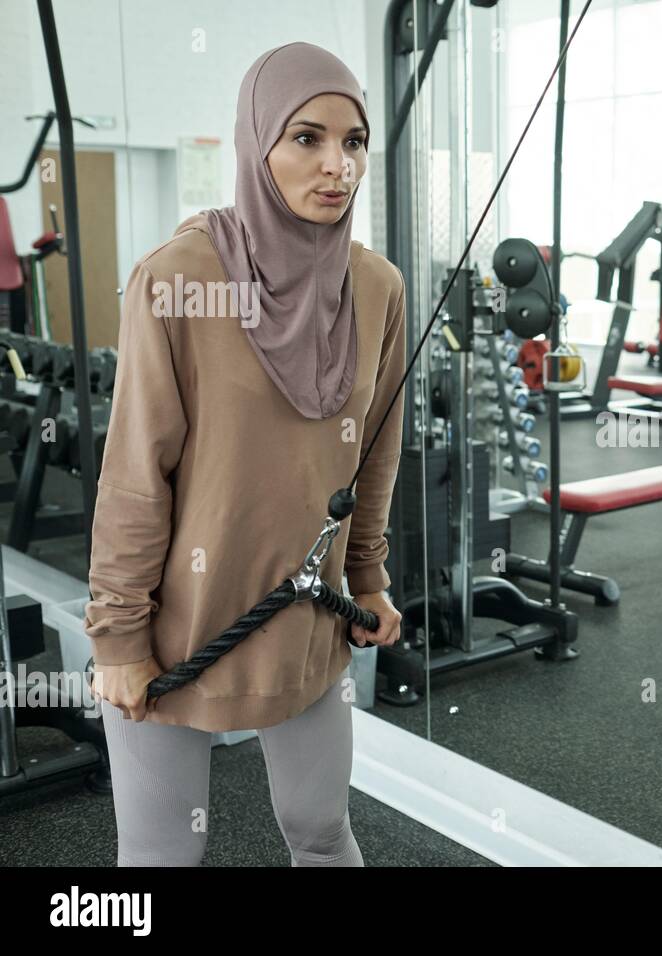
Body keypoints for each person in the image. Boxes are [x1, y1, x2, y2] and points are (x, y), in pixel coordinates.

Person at [83, 42, 407, 867]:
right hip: (177, 630)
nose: (338, 166)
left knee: (321, 831)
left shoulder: (378, 288)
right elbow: (134, 475)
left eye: (355, 141)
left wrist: (366, 578)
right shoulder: (176, 278)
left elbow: (375, 459)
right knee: (160, 860)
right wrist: (118, 638)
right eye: (307, 138)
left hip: (309, 618)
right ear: (256, 141)